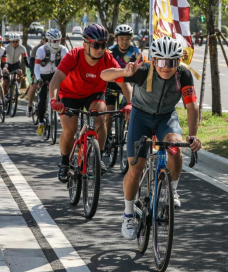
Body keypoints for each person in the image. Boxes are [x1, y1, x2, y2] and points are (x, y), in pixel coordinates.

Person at [100, 36, 202, 241]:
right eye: (162, 62)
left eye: (172, 62)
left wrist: (193, 136)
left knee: (175, 147)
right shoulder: (143, 71)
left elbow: (192, 107)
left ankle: (171, 191)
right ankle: (128, 214)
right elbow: (104, 75)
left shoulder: (183, 75)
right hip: (140, 116)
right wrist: (124, 72)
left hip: (166, 117)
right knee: (136, 168)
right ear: (154, 60)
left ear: (178, 62)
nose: (166, 68)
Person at [48, 24, 133, 181]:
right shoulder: (74, 55)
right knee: (70, 129)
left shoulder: (107, 58)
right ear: (85, 44)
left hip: (94, 94)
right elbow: (56, 79)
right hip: (69, 94)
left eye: (103, 45)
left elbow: (123, 81)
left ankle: (98, 157)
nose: (100, 49)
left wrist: (129, 103)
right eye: (96, 45)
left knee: (100, 118)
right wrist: (54, 100)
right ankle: (65, 163)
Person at [105, 24, 145, 135]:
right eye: (121, 39)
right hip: (112, 85)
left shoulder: (135, 52)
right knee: (109, 112)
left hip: (129, 86)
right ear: (116, 39)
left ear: (131, 39)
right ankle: (106, 138)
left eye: (127, 39)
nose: (124, 42)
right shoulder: (110, 52)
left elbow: (142, 68)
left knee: (129, 110)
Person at [34, 29, 68, 136]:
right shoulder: (41, 50)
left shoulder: (63, 50)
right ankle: (40, 122)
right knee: (43, 99)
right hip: (43, 75)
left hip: (56, 75)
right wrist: (39, 79)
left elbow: (68, 67)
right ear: (48, 41)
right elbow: (36, 67)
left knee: (61, 95)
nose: (57, 43)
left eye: (58, 41)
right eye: (54, 41)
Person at [27, 33, 47, 117]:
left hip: (44, 71)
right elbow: (32, 62)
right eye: (45, 40)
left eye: (48, 40)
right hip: (33, 69)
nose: (46, 42)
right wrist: (32, 73)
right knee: (34, 86)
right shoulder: (36, 48)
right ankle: (30, 105)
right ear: (41, 40)